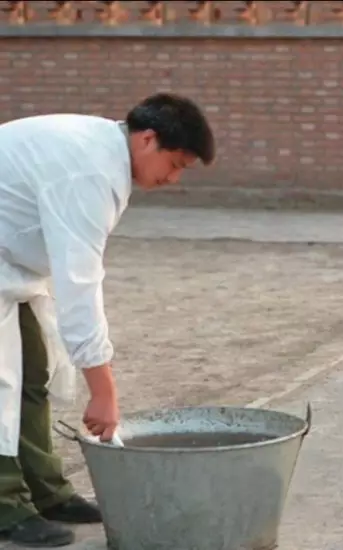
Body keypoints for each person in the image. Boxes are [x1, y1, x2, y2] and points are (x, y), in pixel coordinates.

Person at [0, 93, 215, 547]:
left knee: (31, 375)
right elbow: (79, 284)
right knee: (0, 382)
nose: (173, 179)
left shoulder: (102, 153)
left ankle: (46, 490)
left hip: (9, 268)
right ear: (148, 139)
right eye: (175, 164)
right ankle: (6, 505)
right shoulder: (88, 171)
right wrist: (104, 392)